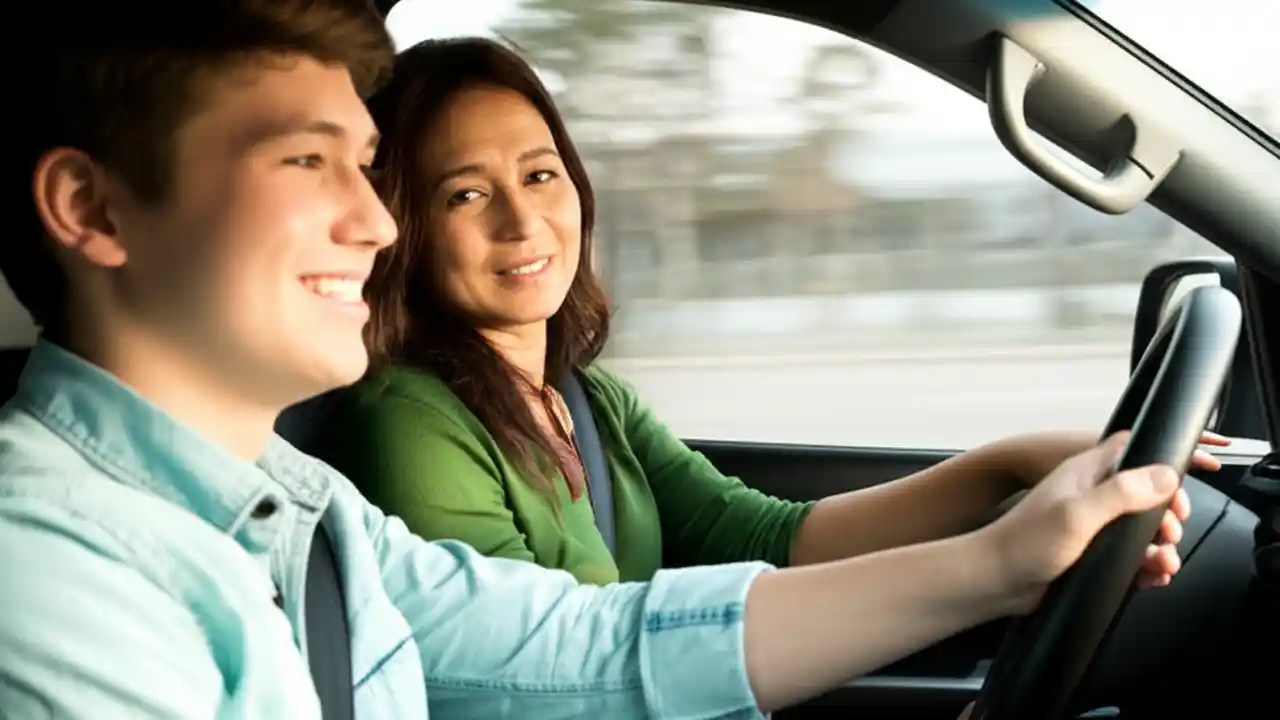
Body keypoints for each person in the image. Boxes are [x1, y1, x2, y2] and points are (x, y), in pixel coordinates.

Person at [0, 5, 1200, 718]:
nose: (373, 223)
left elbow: (594, 645)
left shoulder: (303, 517)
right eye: (308, 163)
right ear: (93, 209)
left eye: (368, 170)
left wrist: (998, 561)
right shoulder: (44, 576)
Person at [312, 36, 1224, 585]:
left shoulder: (586, 401)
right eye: (465, 196)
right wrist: (986, 574)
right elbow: (563, 664)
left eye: (541, 174)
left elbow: (773, 538)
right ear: (401, 224)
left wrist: (1013, 462)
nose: (523, 219)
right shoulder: (407, 422)